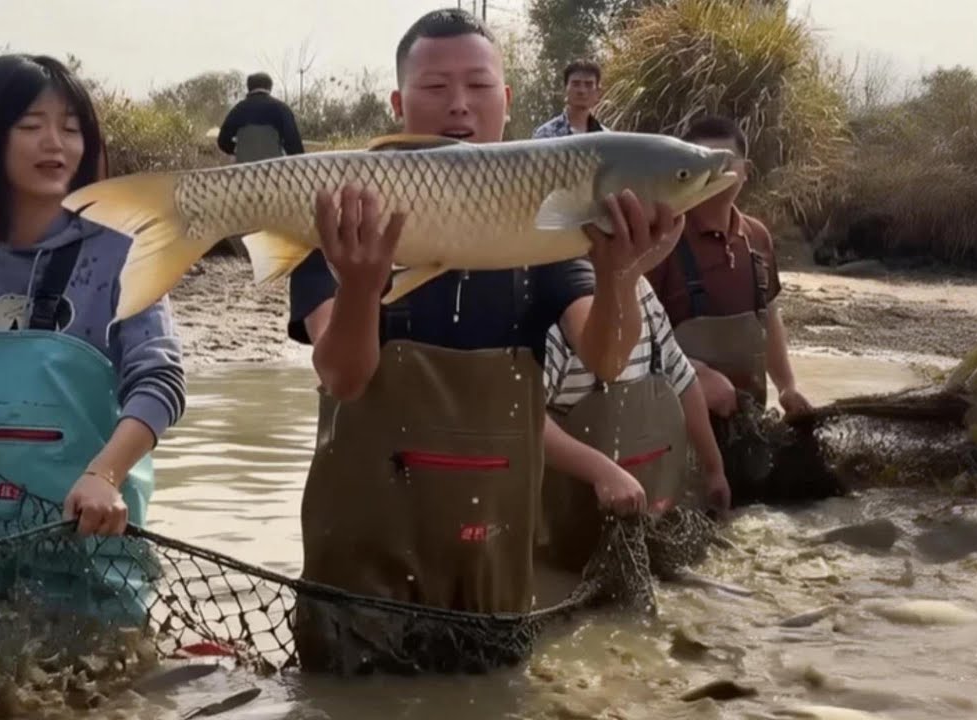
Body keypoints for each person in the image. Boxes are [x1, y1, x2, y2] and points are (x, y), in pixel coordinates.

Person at [285, 9, 681, 670]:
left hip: (492, 568)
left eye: (477, 86)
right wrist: (360, 286)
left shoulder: (547, 229)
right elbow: (344, 380)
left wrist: (621, 276)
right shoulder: (342, 215)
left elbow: (609, 360)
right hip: (360, 569)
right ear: (398, 103)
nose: (459, 106)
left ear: (508, 99)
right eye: (435, 88)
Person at [0, 54, 186, 617]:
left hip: (87, 547)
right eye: (31, 125)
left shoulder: (125, 251)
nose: (56, 143)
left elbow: (160, 378)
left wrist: (105, 473)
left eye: (71, 128)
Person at [539, 270, 732, 571]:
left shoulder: (643, 292)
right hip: (563, 542)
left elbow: (685, 381)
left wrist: (714, 469)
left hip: (648, 529)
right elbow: (525, 425)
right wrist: (602, 471)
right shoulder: (556, 307)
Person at [646, 115, 811, 419]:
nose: (715, 172)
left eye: (725, 161)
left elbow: (770, 317)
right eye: (703, 162)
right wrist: (689, 373)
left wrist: (786, 386)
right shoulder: (660, 238)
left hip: (748, 419)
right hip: (676, 425)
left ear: (746, 171)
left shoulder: (757, 236)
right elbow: (634, 339)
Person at [216, 72, 306, 163]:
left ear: (249, 88)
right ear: (270, 87)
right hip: (275, 169)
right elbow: (294, 146)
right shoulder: (282, 109)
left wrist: (239, 150)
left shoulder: (238, 110)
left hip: (244, 169)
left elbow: (222, 141)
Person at [533, 59, 610, 138]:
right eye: (576, 84)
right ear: (565, 89)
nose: (582, 90)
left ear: (598, 91)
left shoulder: (606, 137)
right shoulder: (546, 134)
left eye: (588, 85)